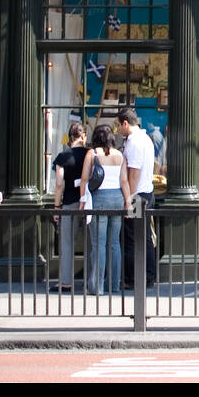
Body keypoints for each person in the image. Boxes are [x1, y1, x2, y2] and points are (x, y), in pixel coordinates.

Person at [81, 124, 131, 295]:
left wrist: (82, 201)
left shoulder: (92, 154)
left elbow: (84, 180)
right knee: (114, 243)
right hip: (117, 198)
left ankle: (97, 286)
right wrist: (128, 203)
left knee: (99, 244)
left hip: (99, 199)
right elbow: (124, 182)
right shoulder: (119, 155)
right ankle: (114, 284)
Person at [118, 107, 157, 289]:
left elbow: (134, 174)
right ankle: (148, 275)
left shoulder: (133, 142)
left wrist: (129, 201)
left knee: (132, 238)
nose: (117, 129)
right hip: (147, 193)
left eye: (118, 125)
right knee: (145, 236)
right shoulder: (146, 139)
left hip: (137, 196)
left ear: (125, 123)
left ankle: (133, 279)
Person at [51, 123, 89, 292]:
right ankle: (91, 280)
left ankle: (66, 282)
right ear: (83, 136)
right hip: (89, 203)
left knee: (67, 242)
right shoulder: (91, 154)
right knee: (92, 243)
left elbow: (59, 184)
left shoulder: (63, 156)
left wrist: (57, 207)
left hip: (69, 202)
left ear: (70, 137)